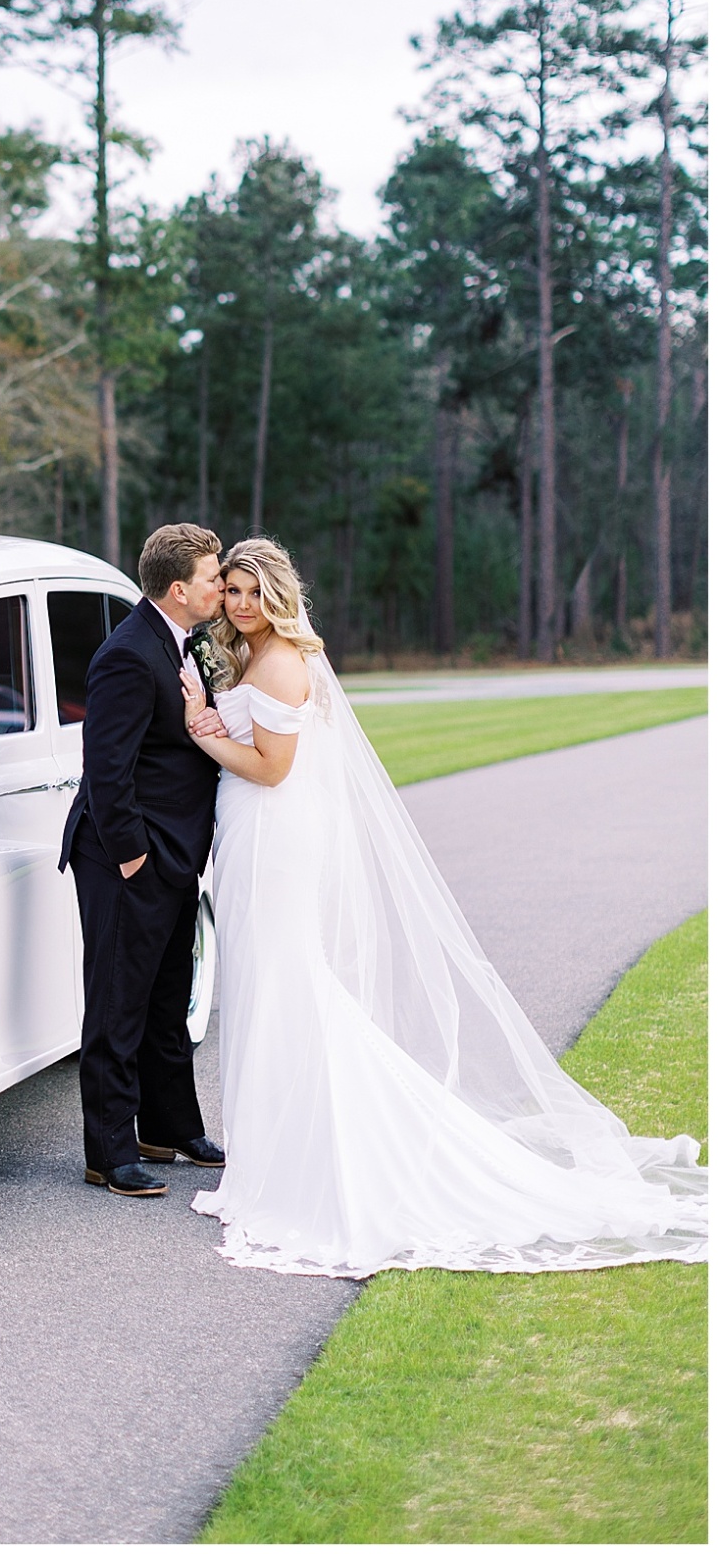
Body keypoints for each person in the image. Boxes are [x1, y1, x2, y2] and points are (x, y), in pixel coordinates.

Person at [181, 536, 707, 1277]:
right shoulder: (257, 655)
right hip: (257, 835)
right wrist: (214, 716)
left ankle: (298, 1161)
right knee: (271, 988)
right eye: (229, 592)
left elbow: (271, 768)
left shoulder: (278, 661)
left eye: (248, 592)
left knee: (283, 987)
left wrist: (202, 734)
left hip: (271, 835)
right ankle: (275, 1150)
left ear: (277, 593)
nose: (237, 605)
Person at [60, 523, 228, 1197]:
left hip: (175, 854)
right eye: (214, 577)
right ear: (179, 587)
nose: (221, 585)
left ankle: (168, 1127)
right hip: (125, 855)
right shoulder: (127, 654)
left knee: (167, 999)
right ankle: (108, 1150)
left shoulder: (185, 643)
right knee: (117, 1005)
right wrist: (132, 857)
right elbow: (105, 767)